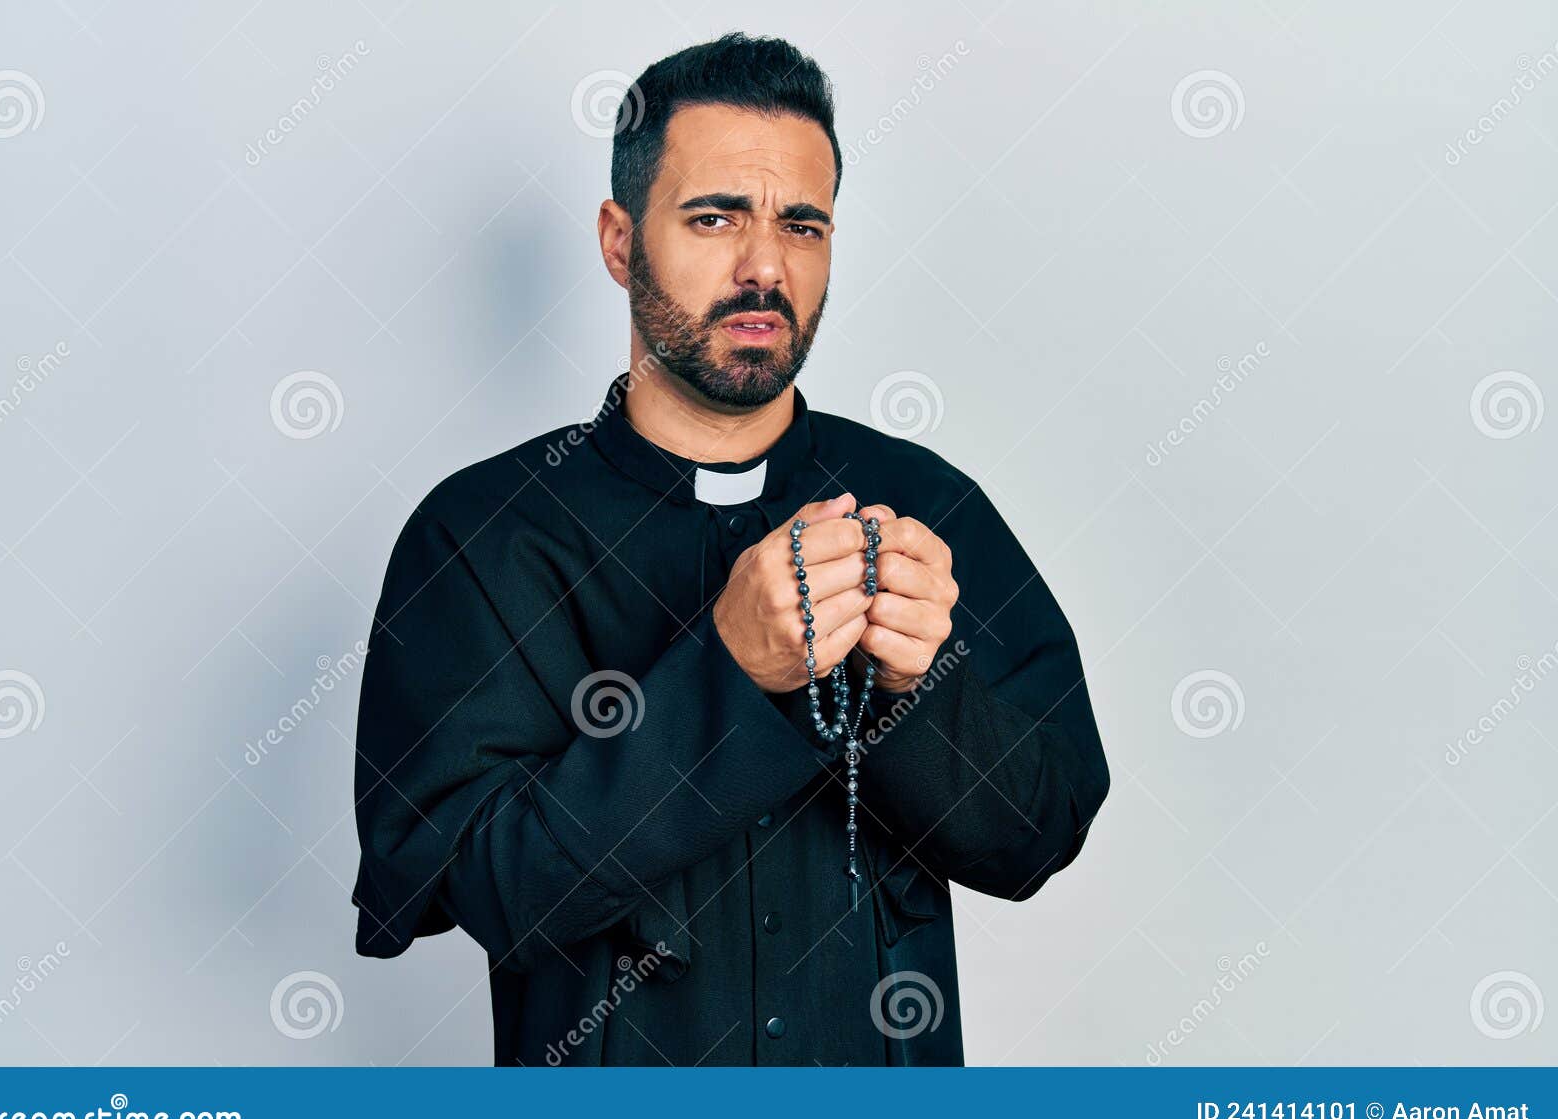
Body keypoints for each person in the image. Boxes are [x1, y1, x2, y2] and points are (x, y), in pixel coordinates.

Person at [350, 32, 1110, 1065]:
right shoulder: (481, 534)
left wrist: (918, 688)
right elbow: (494, 892)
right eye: (714, 218)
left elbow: (1038, 834)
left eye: (802, 225)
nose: (763, 266)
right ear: (620, 242)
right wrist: (728, 678)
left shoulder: (926, 505)